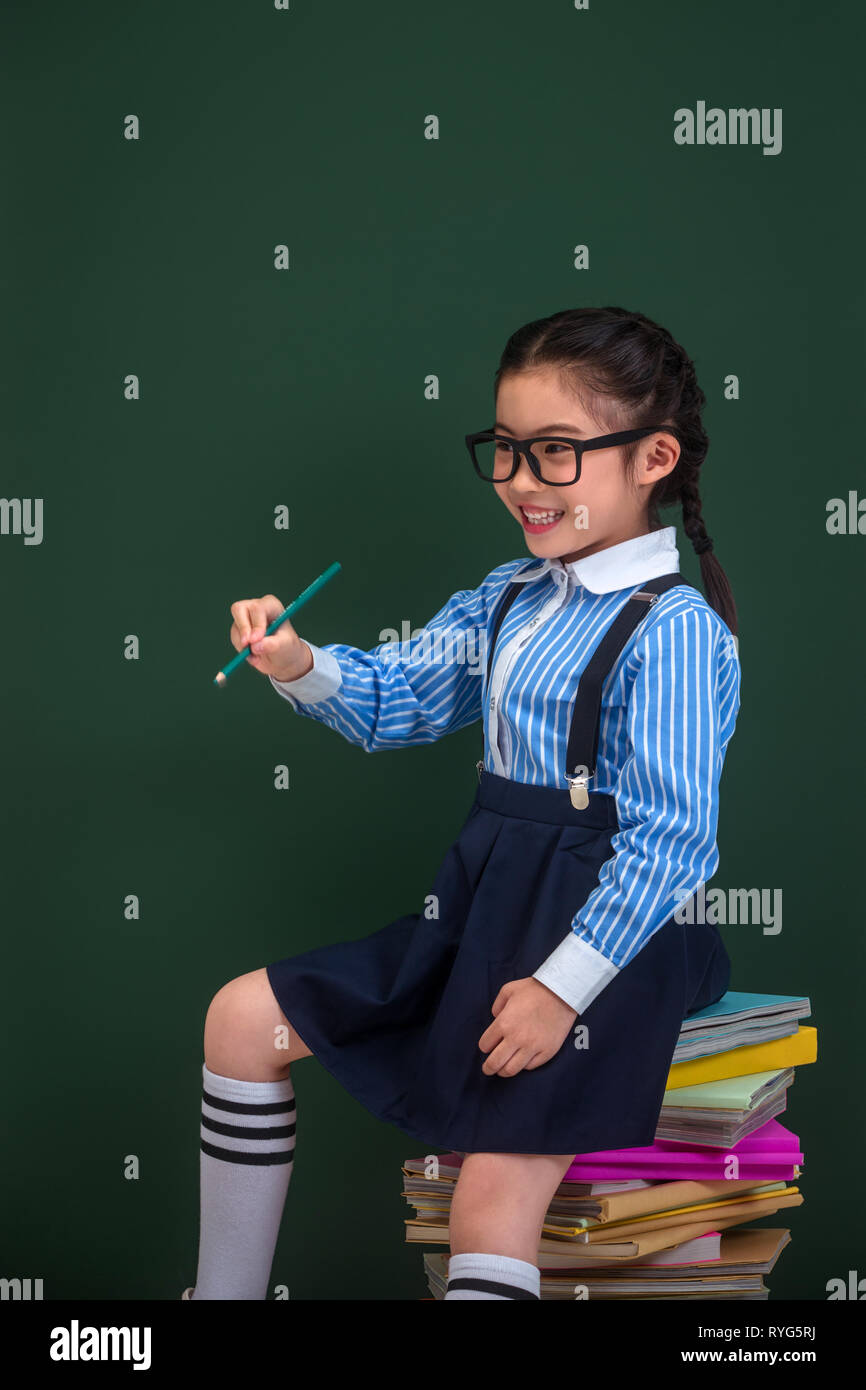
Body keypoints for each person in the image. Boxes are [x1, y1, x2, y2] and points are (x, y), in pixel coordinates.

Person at [184, 305, 741, 1302]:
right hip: (486, 905)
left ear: (652, 455)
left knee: (489, 1203)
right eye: (506, 450)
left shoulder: (674, 631)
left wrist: (560, 989)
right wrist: (297, 662)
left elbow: (670, 842)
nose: (522, 482)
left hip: (610, 939)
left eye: (557, 452)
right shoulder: (508, 596)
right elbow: (394, 704)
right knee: (239, 1021)